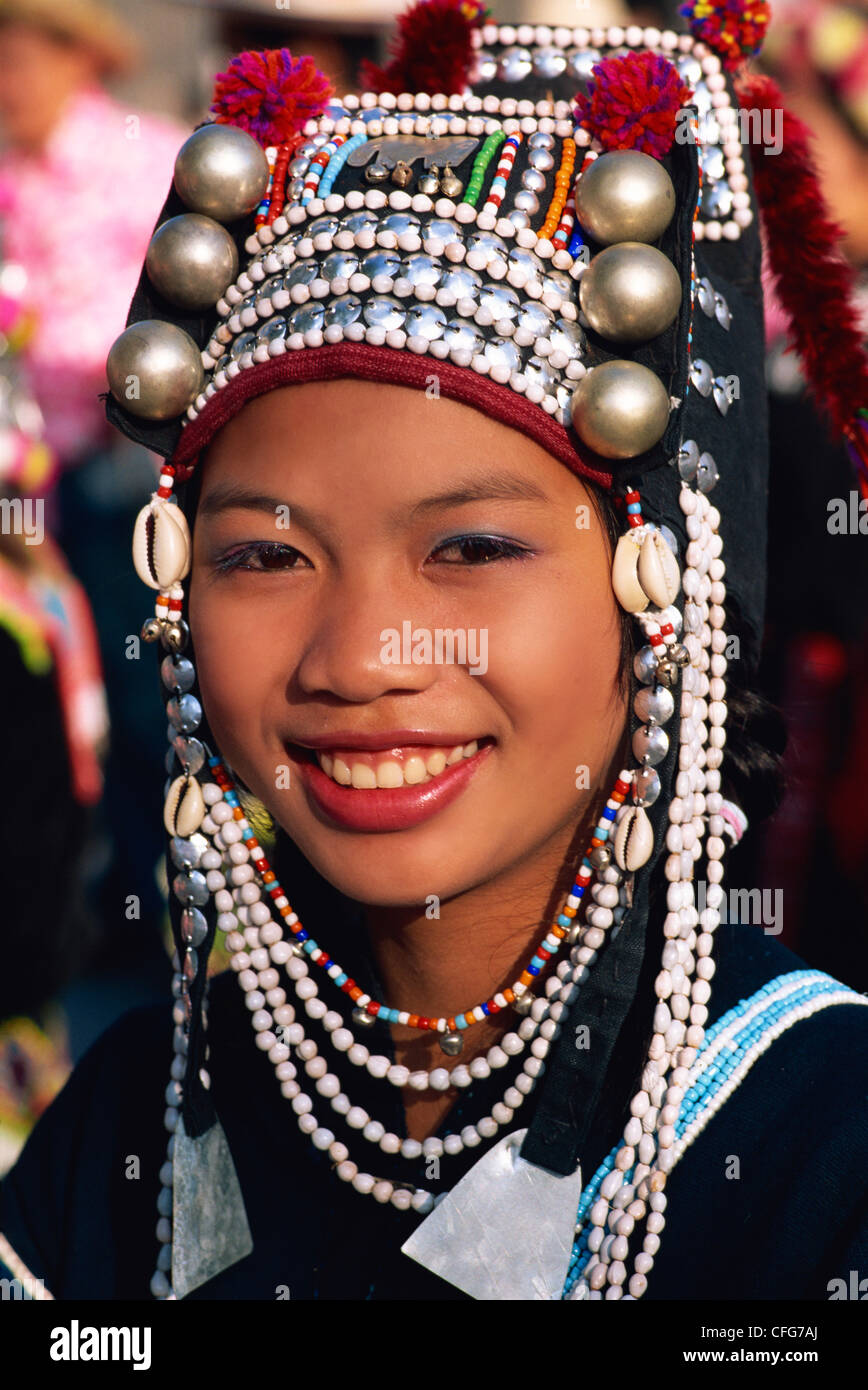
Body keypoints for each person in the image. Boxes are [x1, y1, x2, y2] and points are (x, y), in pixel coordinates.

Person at [1, 0, 867, 1302]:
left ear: (655, 590)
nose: (361, 654)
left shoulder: (820, 1137)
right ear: (173, 585)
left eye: (470, 549)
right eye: (265, 556)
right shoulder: (133, 1115)